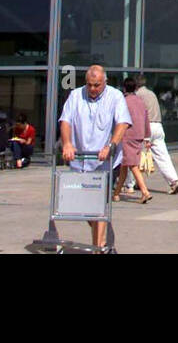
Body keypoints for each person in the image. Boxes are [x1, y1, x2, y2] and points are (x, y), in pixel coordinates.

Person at [59, 65, 132, 249]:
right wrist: (67, 143)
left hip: (104, 163)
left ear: (104, 82)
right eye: (89, 85)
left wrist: (111, 145)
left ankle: (98, 248)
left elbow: (122, 123)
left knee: (99, 205)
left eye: (97, 85)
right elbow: (65, 120)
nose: (92, 89)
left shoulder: (115, 97)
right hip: (80, 161)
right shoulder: (76, 95)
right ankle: (104, 237)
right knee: (82, 207)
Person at [127, 76, 178, 195]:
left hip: (146, 127)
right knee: (163, 156)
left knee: (135, 156)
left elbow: (139, 114)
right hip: (158, 126)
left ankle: (130, 184)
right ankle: (174, 181)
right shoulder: (151, 94)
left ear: (135, 85)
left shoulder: (137, 95)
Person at [114, 78, 153, 204]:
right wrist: (147, 136)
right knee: (125, 165)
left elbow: (119, 119)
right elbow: (146, 118)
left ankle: (145, 191)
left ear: (124, 88)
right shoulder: (140, 101)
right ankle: (116, 193)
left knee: (132, 165)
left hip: (128, 135)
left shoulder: (123, 102)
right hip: (139, 135)